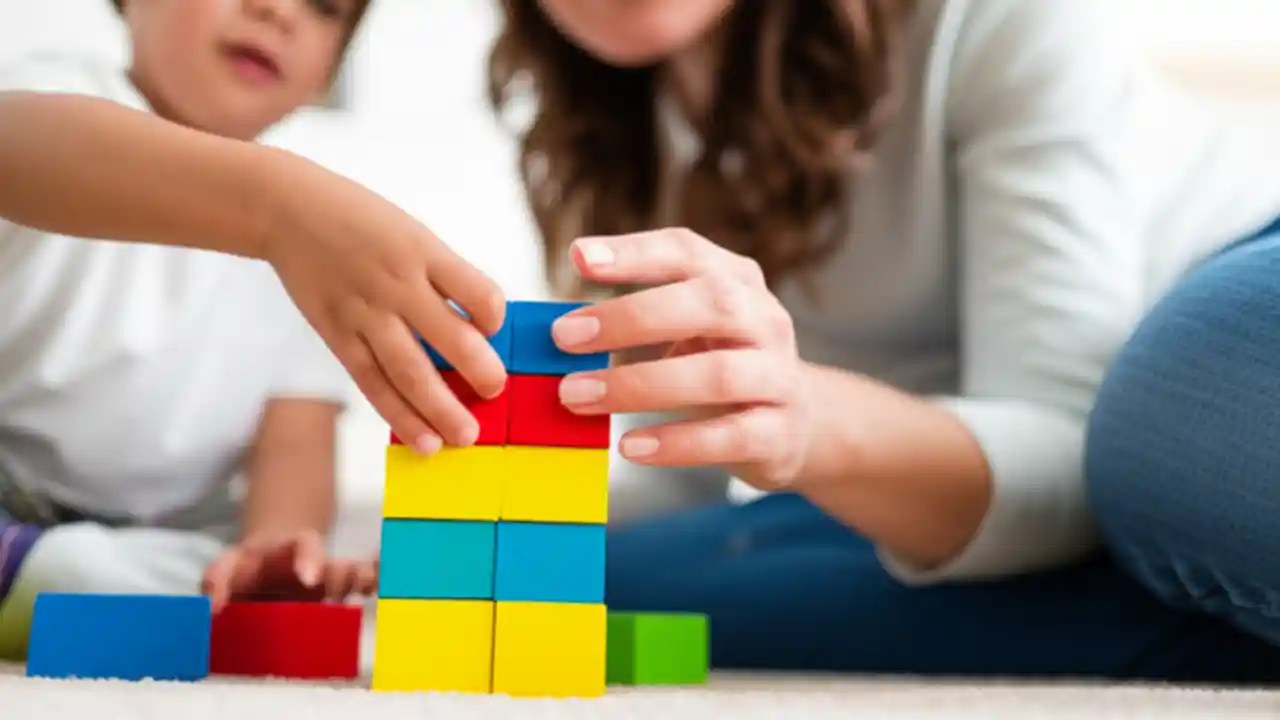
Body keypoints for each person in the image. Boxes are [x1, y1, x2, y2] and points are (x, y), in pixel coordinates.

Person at [488, 0, 1280, 681]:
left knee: (1163, 422)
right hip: (1044, 491)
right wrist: (478, 537)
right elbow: (683, 478)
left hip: (1226, 341)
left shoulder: (996, 21)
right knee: (596, 584)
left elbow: (1072, 460)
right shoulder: (617, 123)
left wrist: (811, 423)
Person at [0, 0, 504, 659]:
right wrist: (276, 208)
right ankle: (52, 576)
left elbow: (294, 442)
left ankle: (83, 585)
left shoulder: (315, 253)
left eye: (324, 8)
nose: (275, 12)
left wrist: (278, 543)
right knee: (89, 576)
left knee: (228, 578)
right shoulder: (68, 100)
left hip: (157, 530)